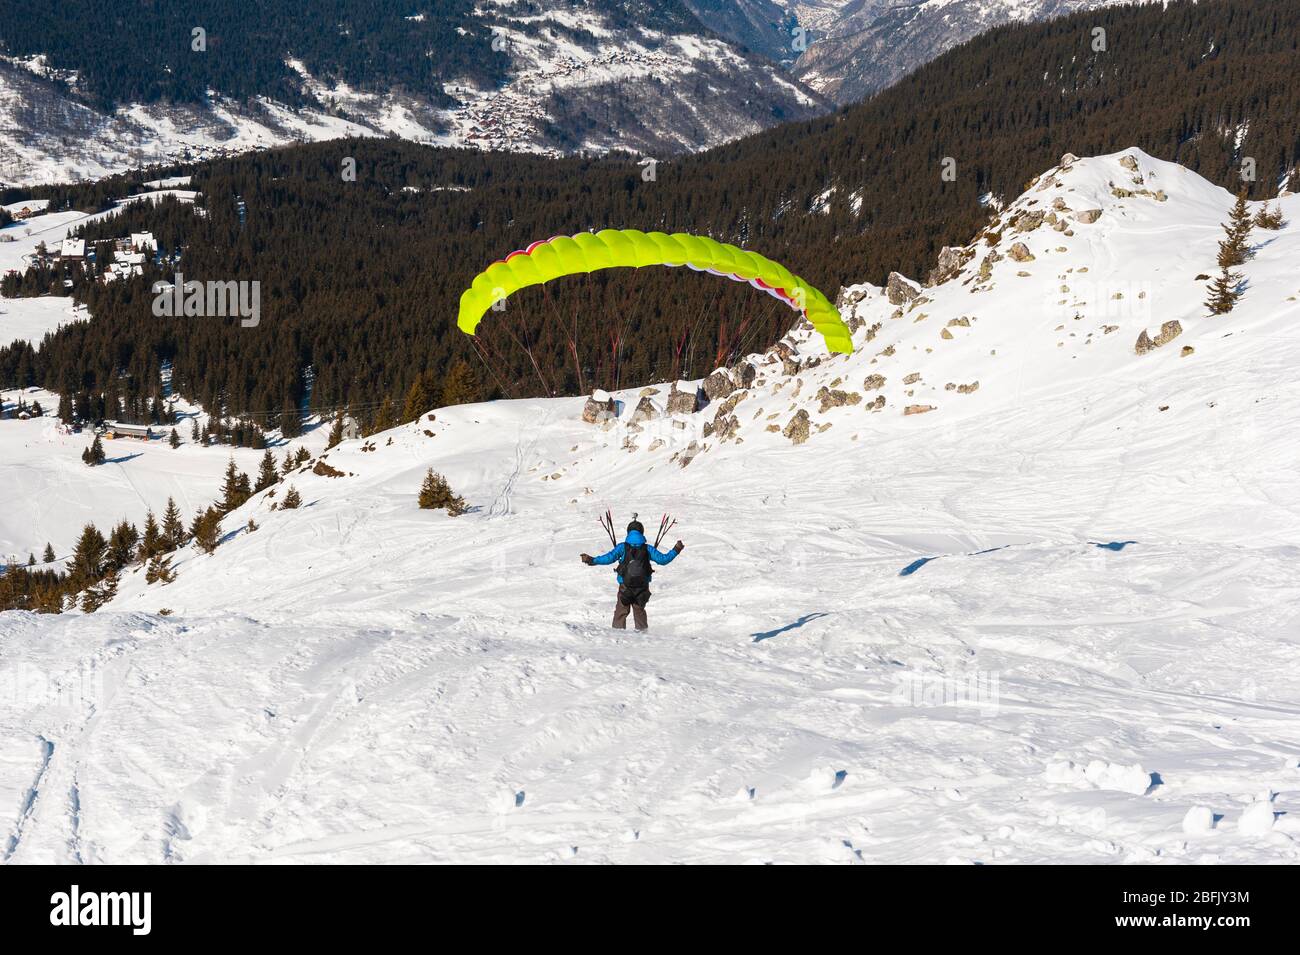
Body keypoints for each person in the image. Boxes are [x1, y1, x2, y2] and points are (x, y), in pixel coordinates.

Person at [581, 519, 684, 630]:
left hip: (625, 586)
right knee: (639, 612)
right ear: (642, 532)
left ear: (628, 532)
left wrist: (592, 560)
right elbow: (663, 560)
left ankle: (617, 636)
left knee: (621, 611)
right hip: (642, 587)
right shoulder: (647, 548)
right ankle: (643, 637)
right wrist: (676, 549)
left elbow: (608, 558)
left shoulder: (622, 547)